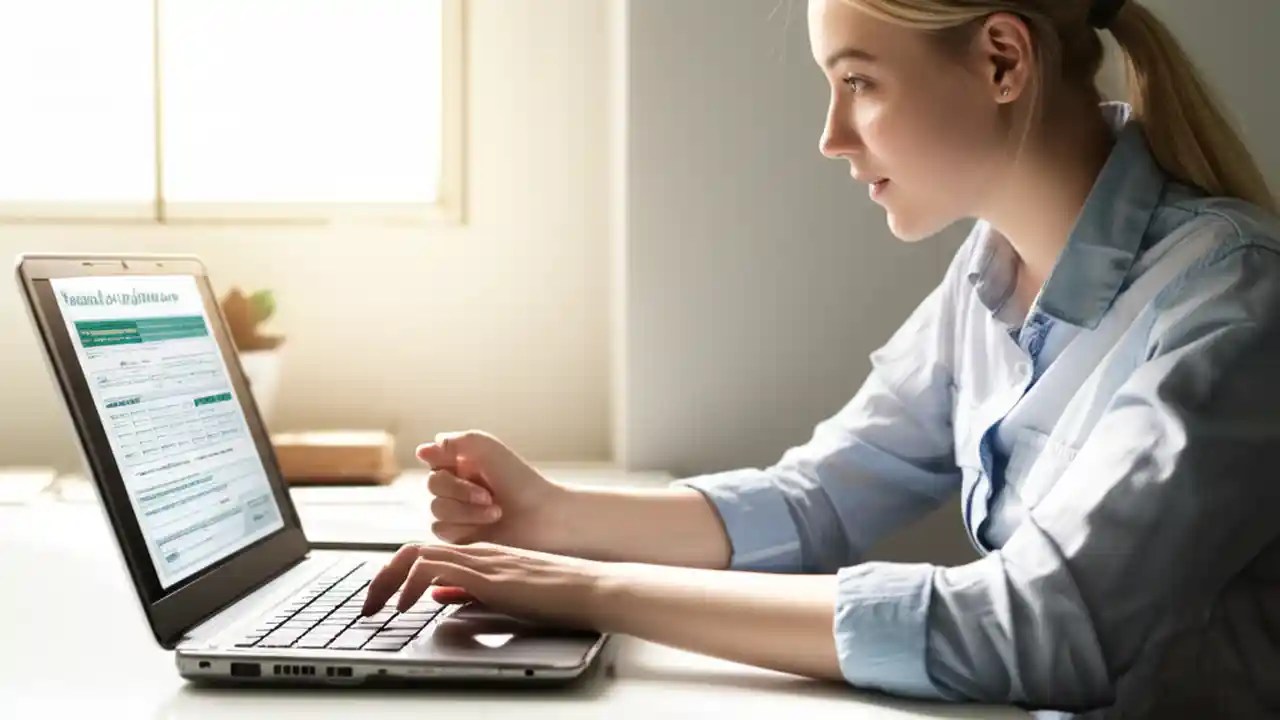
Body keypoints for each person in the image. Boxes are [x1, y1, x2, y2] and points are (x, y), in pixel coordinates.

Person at [362, 0, 1280, 717]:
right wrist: (555, 515)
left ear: (1004, 60)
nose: (832, 135)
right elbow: (820, 496)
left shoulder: (1231, 300)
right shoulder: (988, 274)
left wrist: (589, 590)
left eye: (860, 82)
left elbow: (1036, 627)